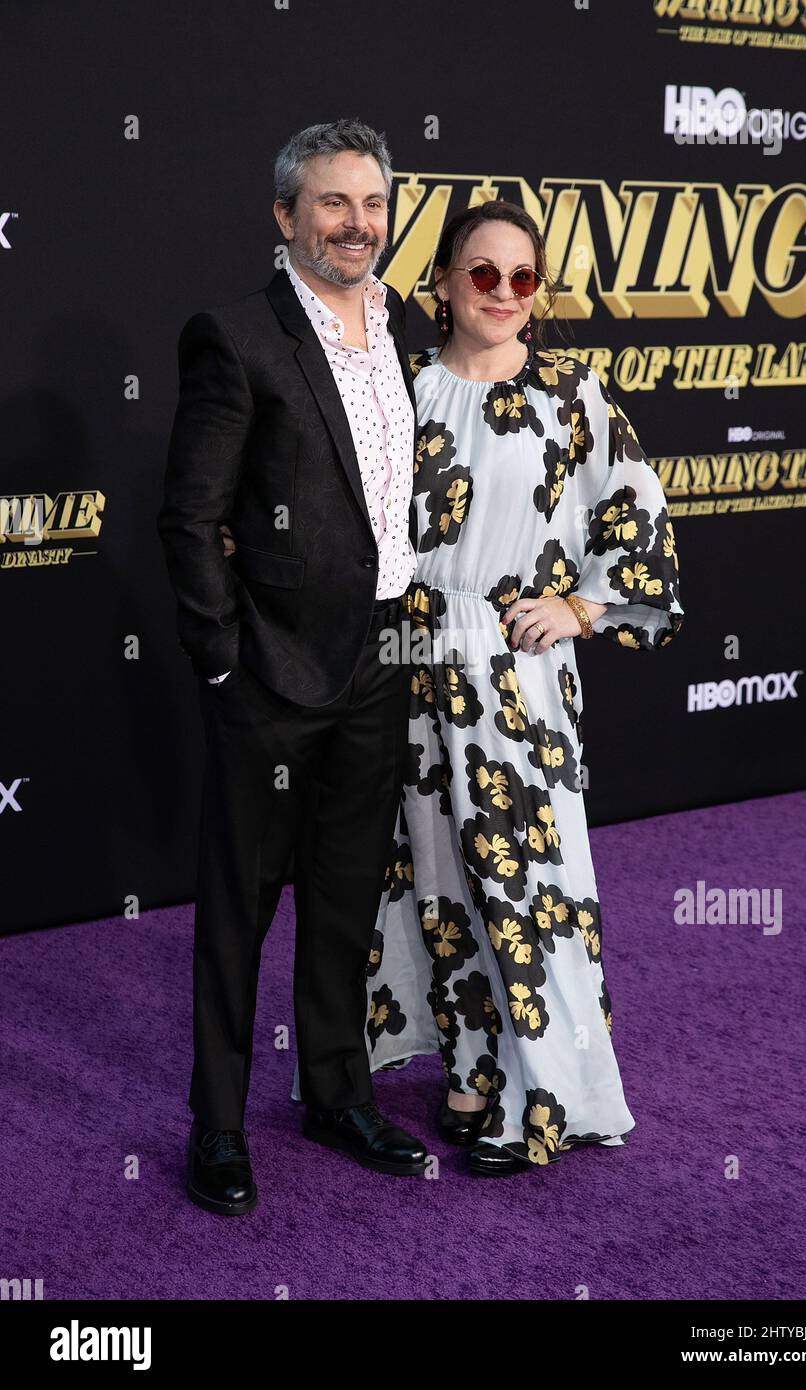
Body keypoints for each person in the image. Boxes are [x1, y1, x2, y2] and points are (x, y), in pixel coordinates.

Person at [355, 200, 685, 1175]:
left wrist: (580, 611)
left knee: (528, 885)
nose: (501, 292)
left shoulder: (570, 395)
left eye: (521, 277)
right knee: (436, 880)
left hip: (515, 684)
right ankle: (467, 1073)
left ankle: (538, 1091)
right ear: (444, 284)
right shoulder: (401, 391)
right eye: (481, 273)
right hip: (413, 666)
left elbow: (640, 528)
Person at [157, 118, 429, 1216]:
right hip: (269, 673)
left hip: (379, 659)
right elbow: (188, 516)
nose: (355, 224)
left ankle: (334, 1090)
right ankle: (217, 1126)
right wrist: (225, 662)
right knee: (237, 907)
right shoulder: (236, 336)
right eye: (332, 203)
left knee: (347, 892)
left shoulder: (404, 322)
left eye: (370, 204)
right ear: (284, 216)